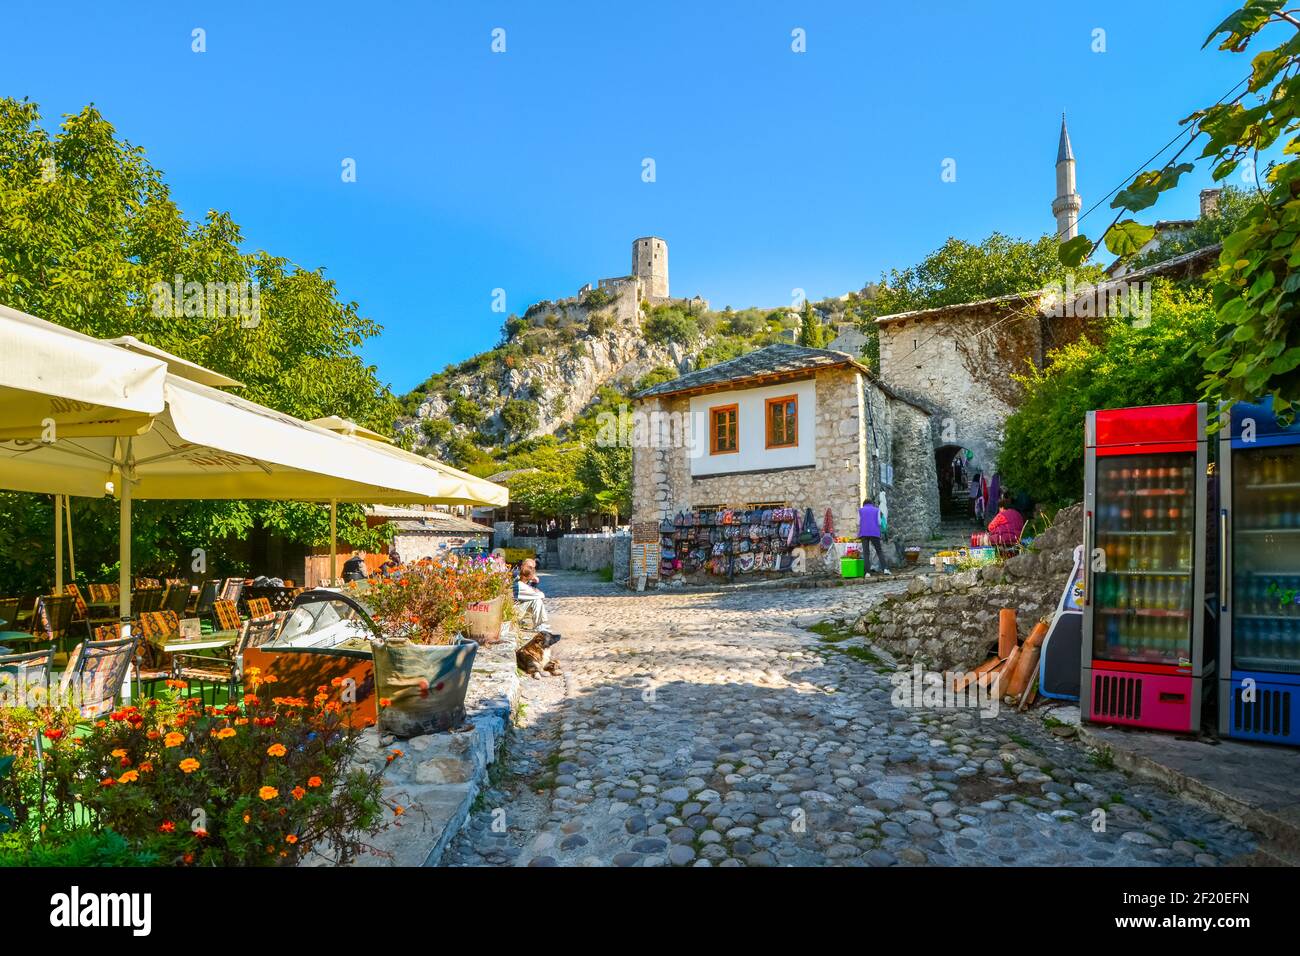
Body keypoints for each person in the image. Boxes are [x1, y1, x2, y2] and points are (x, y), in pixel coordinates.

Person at [514, 558, 560, 643]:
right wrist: (535, 588)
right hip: (515, 613)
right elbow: (541, 595)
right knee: (537, 600)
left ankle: (540, 624)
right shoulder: (520, 586)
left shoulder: (519, 581)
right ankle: (539, 625)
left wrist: (533, 585)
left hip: (516, 608)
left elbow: (530, 592)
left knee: (535, 599)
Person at [858, 496, 890, 576]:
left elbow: (858, 522)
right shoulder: (877, 510)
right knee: (879, 551)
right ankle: (885, 569)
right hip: (874, 532)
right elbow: (879, 522)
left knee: (866, 553)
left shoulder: (860, 510)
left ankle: (867, 573)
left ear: (864, 504)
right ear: (871, 504)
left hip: (864, 533)